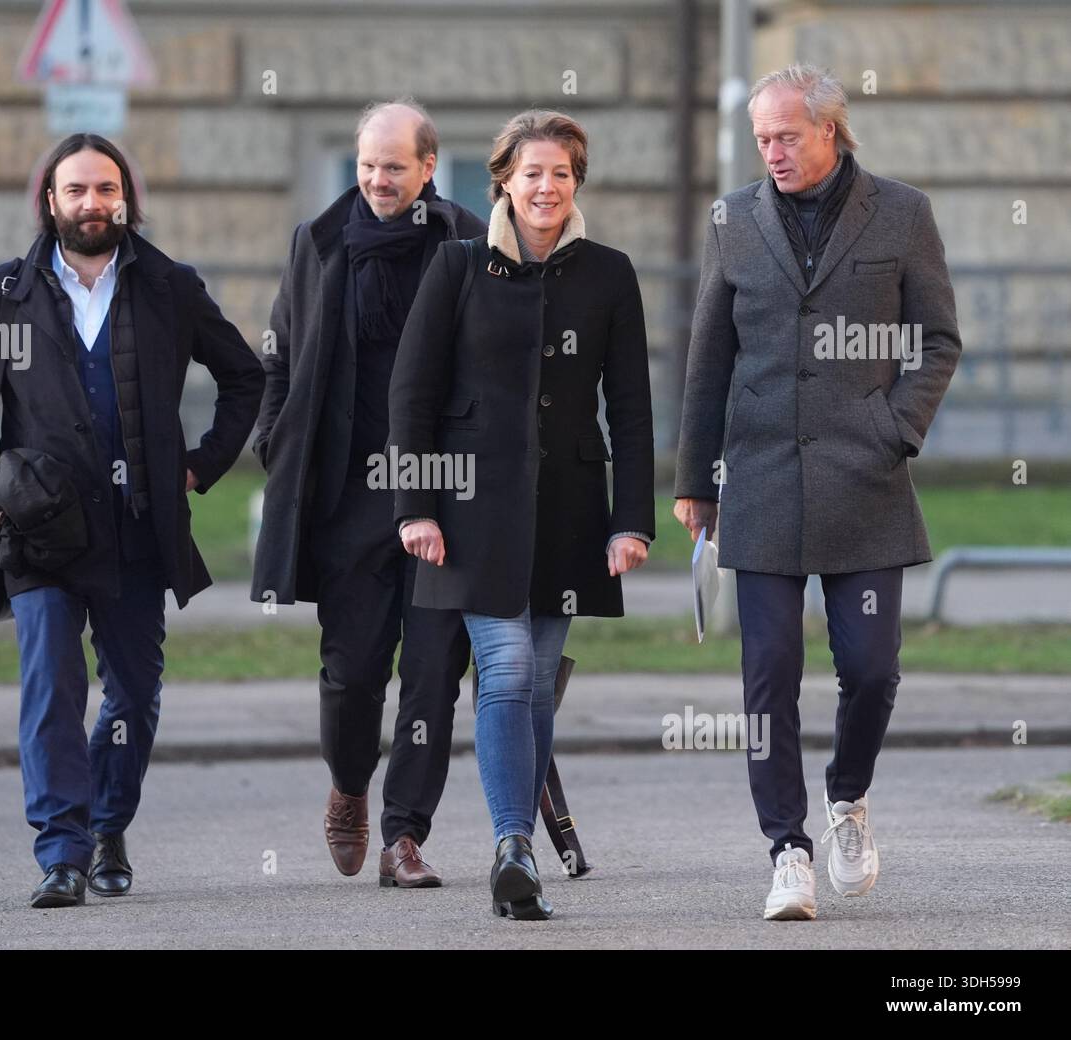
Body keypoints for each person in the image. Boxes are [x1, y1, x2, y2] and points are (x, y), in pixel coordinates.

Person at [0, 133, 264, 908]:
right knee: (52, 688)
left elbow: (246, 376)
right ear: (50, 201)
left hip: (137, 527)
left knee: (134, 692)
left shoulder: (169, 287)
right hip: (37, 529)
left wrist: (201, 463)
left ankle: (107, 827)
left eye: (107, 190)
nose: (94, 203)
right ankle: (61, 852)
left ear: (127, 199)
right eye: (77, 190)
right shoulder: (4, 293)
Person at [673, 65, 961, 920]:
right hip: (757, 479)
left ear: (830, 130)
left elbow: (936, 340)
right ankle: (787, 849)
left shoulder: (903, 214)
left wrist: (894, 427)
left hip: (865, 480)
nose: (772, 152)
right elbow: (706, 360)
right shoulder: (731, 219)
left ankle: (847, 801)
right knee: (769, 674)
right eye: (761, 139)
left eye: (786, 136)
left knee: (871, 671)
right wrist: (695, 480)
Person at [389, 110, 655, 919]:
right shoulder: (458, 267)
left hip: (571, 509)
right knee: (504, 668)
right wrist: (415, 506)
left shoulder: (609, 273)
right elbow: (413, 393)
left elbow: (633, 408)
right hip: (469, 509)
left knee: (537, 680)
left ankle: (520, 849)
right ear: (502, 179)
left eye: (562, 173)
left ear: (578, 182)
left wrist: (631, 519)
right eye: (532, 172)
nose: (547, 187)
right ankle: (515, 846)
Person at [250, 99, 487, 888]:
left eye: (395, 166)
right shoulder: (317, 243)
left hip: (446, 497)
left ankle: (403, 836)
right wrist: (277, 439)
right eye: (367, 165)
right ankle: (349, 786)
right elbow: (280, 352)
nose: (379, 180)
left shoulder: (468, 240)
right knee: (352, 672)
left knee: (431, 672)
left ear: (428, 166)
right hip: (350, 496)